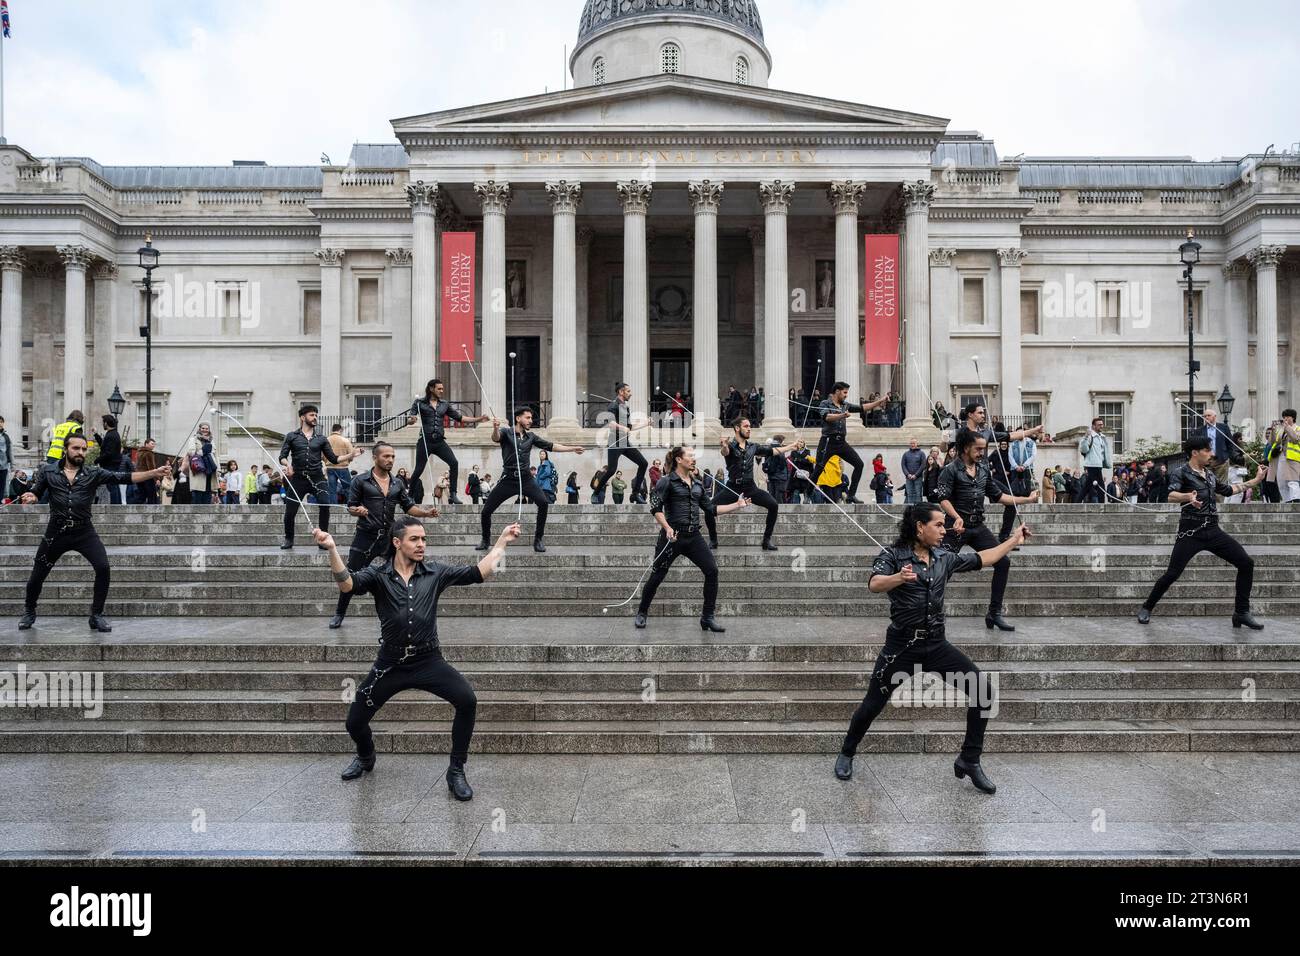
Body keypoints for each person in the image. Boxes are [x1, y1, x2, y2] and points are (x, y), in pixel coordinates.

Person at [317, 517, 521, 799]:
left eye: (424, 539)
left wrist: (502, 542)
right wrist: (331, 549)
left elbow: (478, 573)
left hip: (428, 660)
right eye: (415, 539)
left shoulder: (435, 572)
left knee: (467, 700)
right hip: (391, 664)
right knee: (354, 722)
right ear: (397, 542)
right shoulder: (378, 575)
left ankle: (456, 770)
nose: (422, 544)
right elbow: (347, 585)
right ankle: (366, 757)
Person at [834, 503, 1031, 794]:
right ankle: (847, 752)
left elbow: (983, 558)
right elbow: (874, 583)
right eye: (938, 525)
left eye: (944, 524)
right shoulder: (892, 555)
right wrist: (898, 578)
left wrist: (1013, 540)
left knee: (983, 691)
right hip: (901, 648)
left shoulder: (944, 558)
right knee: (873, 703)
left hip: (937, 645)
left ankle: (969, 759)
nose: (945, 530)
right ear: (919, 527)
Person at [17, 434, 171, 632]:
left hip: (84, 531)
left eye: (83, 449)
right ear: (66, 449)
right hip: (56, 531)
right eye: (76, 448)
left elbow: (124, 477)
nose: (80, 452)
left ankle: (96, 615)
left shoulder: (93, 473)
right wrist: (31, 496)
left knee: (103, 567)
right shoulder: (48, 471)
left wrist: (154, 472)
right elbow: (37, 492)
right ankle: (29, 611)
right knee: (37, 574)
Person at [1138, 435, 1268, 629]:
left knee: (1246, 563)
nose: (1211, 454)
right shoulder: (1180, 472)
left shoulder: (1209, 474)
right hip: (1191, 531)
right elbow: (1171, 495)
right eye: (1207, 450)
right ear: (1195, 452)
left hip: (1213, 530)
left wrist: (1255, 480)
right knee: (1172, 573)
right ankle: (1147, 607)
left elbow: (1228, 490)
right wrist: (1187, 496)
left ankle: (1241, 612)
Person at [634, 445, 750, 633]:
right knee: (657, 574)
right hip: (673, 536)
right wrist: (667, 528)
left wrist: (737, 505)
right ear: (679, 460)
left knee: (712, 570)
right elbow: (655, 508)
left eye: (694, 456)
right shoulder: (666, 481)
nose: (694, 459)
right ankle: (642, 612)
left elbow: (711, 509)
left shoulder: (697, 484)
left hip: (693, 536)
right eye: (690, 456)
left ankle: (707, 617)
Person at [935, 427, 1039, 632]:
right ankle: (932, 615)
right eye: (978, 449)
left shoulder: (983, 469)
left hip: (977, 526)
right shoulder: (951, 469)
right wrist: (956, 517)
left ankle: (994, 613)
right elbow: (943, 498)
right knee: (941, 568)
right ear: (965, 448)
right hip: (956, 527)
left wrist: (1027, 499)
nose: (982, 453)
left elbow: (999, 496)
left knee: (1003, 562)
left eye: (983, 448)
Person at [330, 441, 440, 629]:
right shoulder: (361, 480)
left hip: (389, 539)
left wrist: (426, 513)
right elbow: (351, 505)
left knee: (401, 574)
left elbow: (408, 507)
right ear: (375, 457)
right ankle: (340, 612)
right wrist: (357, 510)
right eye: (386, 456)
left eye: (392, 456)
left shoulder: (397, 482)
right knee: (351, 575)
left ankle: (404, 613)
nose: (390, 460)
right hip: (365, 536)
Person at [478, 407, 585, 553]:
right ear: (518, 419)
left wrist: (572, 449)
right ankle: (485, 540)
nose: (530, 420)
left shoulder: (531, 437)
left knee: (543, 503)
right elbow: (495, 438)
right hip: (508, 479)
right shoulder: (506, 432)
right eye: (527, 418)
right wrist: (496, 428)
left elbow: (551, 446)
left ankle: (538, 539)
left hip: (526, 478)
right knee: (486, 511)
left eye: (530, 418)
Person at [278, 404, 356, 550]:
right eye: (311, 415)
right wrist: (287, 465)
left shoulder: (321, 439)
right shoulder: (292, 436)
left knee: (325, 505)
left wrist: (350, 455)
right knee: (290, 511)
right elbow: (282, 456)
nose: (315, 418)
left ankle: (323, 538)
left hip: (317, 478)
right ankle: (288, 538)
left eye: (316, 415)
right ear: (303, 417)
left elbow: (333, 459)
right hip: (298, 479)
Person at [717, 419, 802, 551]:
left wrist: (791, 446)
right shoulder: (730, 446)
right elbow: (725, 452)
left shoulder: (753, 447)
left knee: (773, 505)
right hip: (733, 487)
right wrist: (724, 445)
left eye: (750, 426)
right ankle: (713, 540)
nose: (749, 428)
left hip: (750, 488)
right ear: (737, 428)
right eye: (746, 426)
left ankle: (766, 540)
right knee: (710, 508)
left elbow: (772, 451)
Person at [964, 403, 1044, 541]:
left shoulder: (986, 433)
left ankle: (1004, 536)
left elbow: (1011, 436)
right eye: (980, 413)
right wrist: (944, 441)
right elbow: (943, 448)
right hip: (965, 477)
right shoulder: (960, 433)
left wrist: (1033, 430)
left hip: (985, 477)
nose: (983, 415)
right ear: (970, 415)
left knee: (1012, 502)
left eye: (983, 413)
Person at [407, 379, 489, 505]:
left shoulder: (444, 404)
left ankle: (453, 495)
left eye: (442, 388)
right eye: (439, 389)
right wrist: (411, 420)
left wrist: (479, 419)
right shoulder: (419, 403)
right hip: (425, 441)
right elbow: (410, 419)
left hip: (439, 441)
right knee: (418, 469)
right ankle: (410, 496)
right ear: (431, 389)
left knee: (454, 463)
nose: (441, 391)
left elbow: (460, 418)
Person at [807, 383, 887, 504]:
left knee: (859, 464)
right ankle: (808, 493)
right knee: (819, 468)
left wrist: (879, 401)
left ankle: (851, 496)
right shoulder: (825, 403)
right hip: (828, 441)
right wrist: (842, 415)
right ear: (837, 391)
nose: (846, 395)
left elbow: (863, 408)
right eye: (844, 392)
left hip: (841, 442)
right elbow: (826, 417)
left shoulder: (845, 405)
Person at [592, 382, 651, 504]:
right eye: (628, 391)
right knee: (611, 470)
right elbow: (611, 423)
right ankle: (596, 493)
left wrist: (646, 423)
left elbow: (630, 427)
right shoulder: (613, 406)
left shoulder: (625, 407)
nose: (631, 393)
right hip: (615, 442)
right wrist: (622, 428)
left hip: (625, 442)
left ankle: (635, 494)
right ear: (621, 392)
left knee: (643, 463)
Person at [92, 415, 125, 505]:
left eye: (103, 422)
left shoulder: (111, 435)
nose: (102, 424)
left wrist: (96, 460)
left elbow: (108, 453)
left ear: (106, 423)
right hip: (112, 463)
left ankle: (116, 506)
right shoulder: (112, 434)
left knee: (112, 485)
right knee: (113, 484)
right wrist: (96, 434)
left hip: (110, 464)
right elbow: (104, 446)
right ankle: (117, 505)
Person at [1079, 417, 1112, 504]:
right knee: (1100, 486)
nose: (1101, 426)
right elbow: (1083, 449)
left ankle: (1076, 502)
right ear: (1093, 426)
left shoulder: (1101, 437)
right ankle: (1102, 505)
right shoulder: (1090, 436)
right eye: (1099, 424)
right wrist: (1085, 437)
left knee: (1087, 486)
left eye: (1102, 424)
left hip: (1098, 465)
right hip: (1092, 465)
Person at [1274, 409, 1300, 503]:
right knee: (1281, 481)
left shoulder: (1297, 428)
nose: (1285, 419)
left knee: (1292, 480)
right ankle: (1287, 500)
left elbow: (1295, 439)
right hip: (1282, 457)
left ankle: (1296, 500)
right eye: (1284, 417)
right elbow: (1275, 441)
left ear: (1293, 418)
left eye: (1287, 417)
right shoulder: (1282, 429)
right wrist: (1274, 429)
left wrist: (1288, 428)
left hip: (1293, 458)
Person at [326, 424, 355, 505]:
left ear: (332, 429)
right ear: (340, 430)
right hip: (343, 467)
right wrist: (349, 461)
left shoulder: (326, 440)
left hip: (330, 467)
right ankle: (351, 505)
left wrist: (326, 462)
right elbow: (351, 454)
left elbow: (322, 455)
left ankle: (333, 506)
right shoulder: (345, 440)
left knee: (332, 489)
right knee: (348, 488)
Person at [764, 435, 792, 505]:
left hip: (771, 475)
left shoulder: (769, 448)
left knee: (772, 495)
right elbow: (782, 464)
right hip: (780, 476)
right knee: (779, 496)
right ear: (781, 441)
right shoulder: (780, 448)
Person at [1008, 432, 1036, 498]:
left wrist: (1024, 465)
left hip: (1027, 468)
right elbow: (1010, 456)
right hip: (1015, 469)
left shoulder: (1031, 443)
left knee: (1026, 487)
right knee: (1015, 487)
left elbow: (1033, 456)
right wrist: (1016, 466)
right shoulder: (1013, 443)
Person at [134, 438, 161, 505]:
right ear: (146, 444)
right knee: (152, 496)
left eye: (154, 444)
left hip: (139, 477)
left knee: (141, 495)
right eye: (152, 444)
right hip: (148, 477)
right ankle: (152, 513)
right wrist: (157, 479)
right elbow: (151, 468)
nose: (153, 446)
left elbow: (136, 466)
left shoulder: (138, 452)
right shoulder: (149, 453)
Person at [900, 439, 926, 505]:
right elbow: (903, 465)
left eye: (914, 443)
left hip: (918, 478)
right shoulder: (906, 454)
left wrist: (916, 475)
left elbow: (923, 465)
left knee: (918, 494)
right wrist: (907, 474)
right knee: (909, 494)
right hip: (908, 478)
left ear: (917, 444)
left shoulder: (921, 453)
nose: (912, 445)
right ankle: (910, 510)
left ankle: (919, 509)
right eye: (911, 443)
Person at [0, 416, 13, 503]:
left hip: (3, 465)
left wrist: (13, 464)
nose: (0, 423)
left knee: (2, 484)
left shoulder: (6, 436)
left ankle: (0, 500)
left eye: (1, 422)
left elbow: (10, 451)